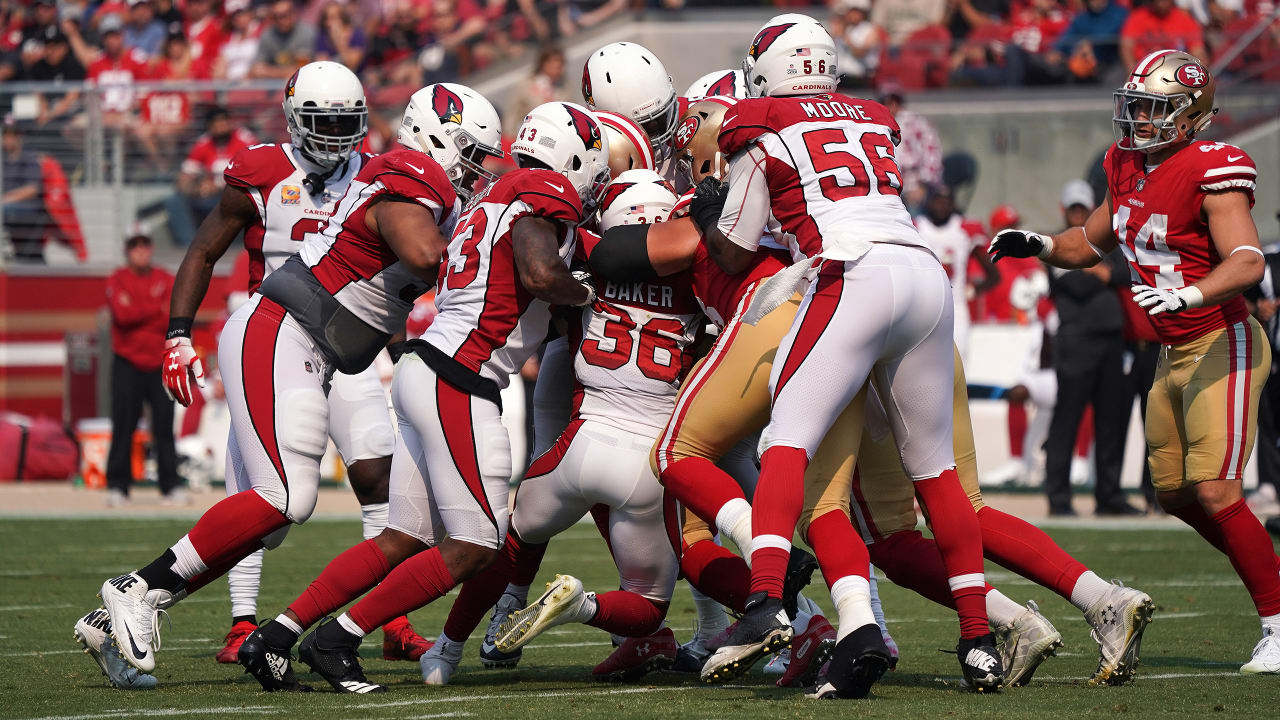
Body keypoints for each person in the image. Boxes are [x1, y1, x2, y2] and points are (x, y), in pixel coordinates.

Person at [78, 64, 463, 685]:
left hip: (339, 347)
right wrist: (178, 333)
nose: (337, 136)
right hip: (281, 329)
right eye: (323, 122)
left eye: (347, 122)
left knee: (342, 484)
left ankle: (123, 607)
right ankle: (176, 601)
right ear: (294, 119)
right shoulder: (261, 170)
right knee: (273, 498)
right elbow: (204, 249)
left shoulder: (378, 172)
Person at [235, 100, 605, 695]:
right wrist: (583, 291)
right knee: (478, 545)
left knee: (403, 536)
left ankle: (277, 635)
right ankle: (337, 639)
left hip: (426, 365)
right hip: (462, 376)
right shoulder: (538, 192)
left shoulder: (489, 200)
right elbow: (539, 276)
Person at [696, 14, 1000, 693]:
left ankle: (765, 599)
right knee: (937, 473)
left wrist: (710, 208)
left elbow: (734, 249)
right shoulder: (871, 116)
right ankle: (978, 640)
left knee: (785, 441)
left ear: (770, 69)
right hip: (922, 273)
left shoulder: (759, 123)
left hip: (851, 272)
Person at [990, 50, 1280, 674]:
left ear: (1191, 116)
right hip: (1171, 349)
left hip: (1221, 337)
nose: (1140, 119)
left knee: (1219, 489)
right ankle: (1268, 571)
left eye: (1156, 108)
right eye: (1137, 105)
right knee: (1175, 496)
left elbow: (1249, 260)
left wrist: (1190, 292)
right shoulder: (1123, 163)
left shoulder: (1212, 166)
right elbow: (1084, 244)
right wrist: (1038, 244)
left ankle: (1279, 619)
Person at [1042, 179, 1140, 517]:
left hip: (1111, 341)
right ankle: (1058, 498)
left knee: (1111, 422)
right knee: (1067, 420)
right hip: (1076, 342)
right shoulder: (1056, 244)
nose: (1079, 214)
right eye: (1074, 209)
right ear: (1064, 211)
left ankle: (1109, 496)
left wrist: (1102, 271)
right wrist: (1103, 272)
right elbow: (1078, 285)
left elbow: (1129, 275)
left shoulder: (1106, 243)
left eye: (1084, 209)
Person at [104, 233, 180, 507]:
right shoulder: (117, 279)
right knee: (123, 425)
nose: (141, 251)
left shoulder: (165, 278)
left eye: (145, 245)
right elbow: (122, 317)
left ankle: (170, 485)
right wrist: (152, 308)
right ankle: (117, 485)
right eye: (134, 246)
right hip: (127, 362)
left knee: (164, 426)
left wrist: (137, 308)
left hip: (159, 362)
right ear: (127, 250)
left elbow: (169, 315)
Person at [913, 183, 1000, 355]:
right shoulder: (914, 226)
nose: (942, 206)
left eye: (947, 201)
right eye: (938, 200)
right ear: (929, 202)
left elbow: (994, 275)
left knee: (958, 364)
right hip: (921, 306)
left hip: (956, 306)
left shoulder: (965, 229)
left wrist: (973, 290)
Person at [166, 106, 256, 247]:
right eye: (216, 123)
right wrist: (196, 188)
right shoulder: (203, 143)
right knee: (174, 201)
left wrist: (219, 185)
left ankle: (226, 246)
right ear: (209, 126)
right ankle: (191, 246)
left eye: (223, 122)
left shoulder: (244, 139)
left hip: (236, 192)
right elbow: (186, 175)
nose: (220, 127)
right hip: (207, 194)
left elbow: (253, 170)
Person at [880, 84, 942, 213]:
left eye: (894, 101)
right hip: (886, 186)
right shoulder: (875, 125)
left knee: (913, 216)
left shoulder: (916, 123)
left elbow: (932, 154)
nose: (891, 106)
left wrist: (923, 185)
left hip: (914, 184)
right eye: (886, 102)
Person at [2, 118, 52, 263]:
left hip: (29, 210)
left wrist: (5, 199)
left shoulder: (29, 158)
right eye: (5, 135)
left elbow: (32, 189)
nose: (7, 139)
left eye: (12, 135)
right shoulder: (3, 160)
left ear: (20, 137)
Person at [1119, 0, 1206, 71]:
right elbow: (1127, 46)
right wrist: (1132, 70)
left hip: (1176, 71)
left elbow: (1198, 51)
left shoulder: (1184, 19)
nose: (1160, 3)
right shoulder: (1138, 17)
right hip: (1144, 70)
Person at [501, 45, 568, 133]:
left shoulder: (563, 85)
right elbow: (512, 117)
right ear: (543, 64)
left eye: (560, 65)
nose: (558, 70)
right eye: (553, 65)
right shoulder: (525, 84)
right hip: (529, 133)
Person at [250, 0, 317, 79]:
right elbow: (257, 70)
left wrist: (270, 72)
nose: (280, 20)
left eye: (284, 15)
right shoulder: (268, 35)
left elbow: (302, 70)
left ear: (294, 14)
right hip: (272, 86)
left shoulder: (307, 33)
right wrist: (286, 72)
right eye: (275, 17)